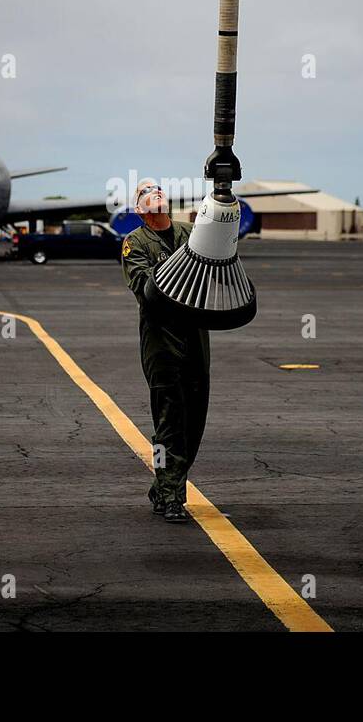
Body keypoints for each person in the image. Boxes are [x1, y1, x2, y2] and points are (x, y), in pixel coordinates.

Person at [120, 179, 211, 523]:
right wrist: (184, 268)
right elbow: (146, 289)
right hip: (161, 343)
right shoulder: (135, 243)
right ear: (140, 211)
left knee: (195, 418)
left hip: (195, 336)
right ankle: (172, 495)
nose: (154, 192)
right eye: (145, 192)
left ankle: (163, 487)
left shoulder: (193, 232)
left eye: (158, 188)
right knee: (169, 421)